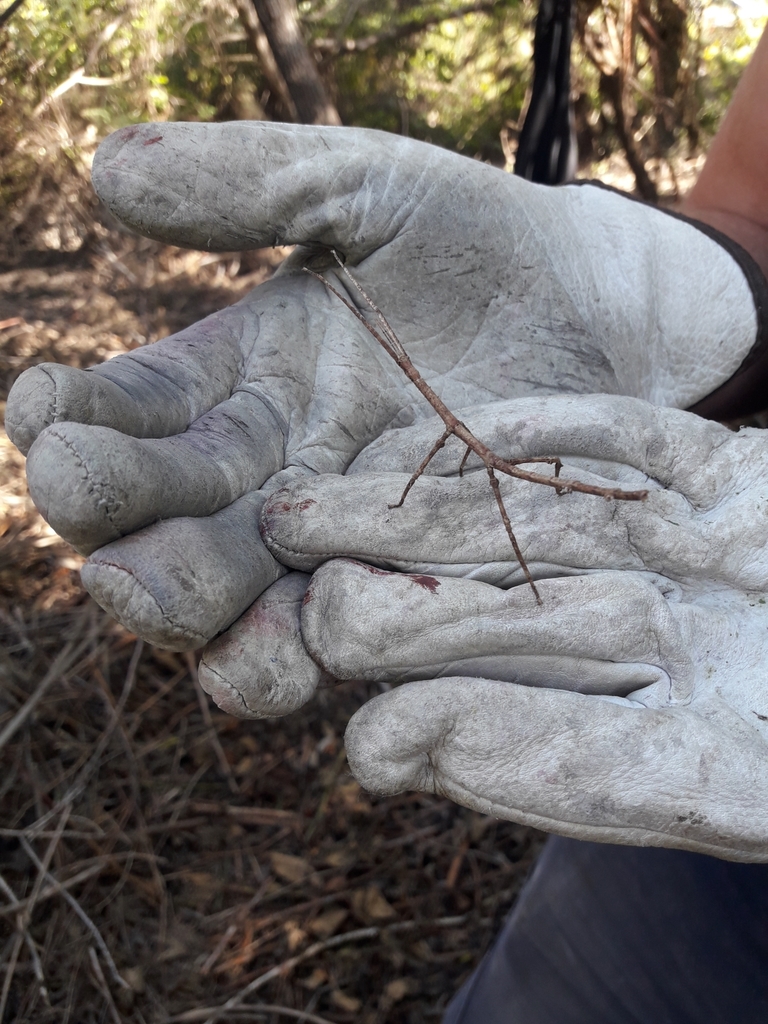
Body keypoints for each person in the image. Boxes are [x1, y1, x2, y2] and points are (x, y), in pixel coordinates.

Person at [6, 22, 768, 1021]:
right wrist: (696, 287)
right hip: (696, 767)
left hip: (707, 671)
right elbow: (752, 210)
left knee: (510, 482)